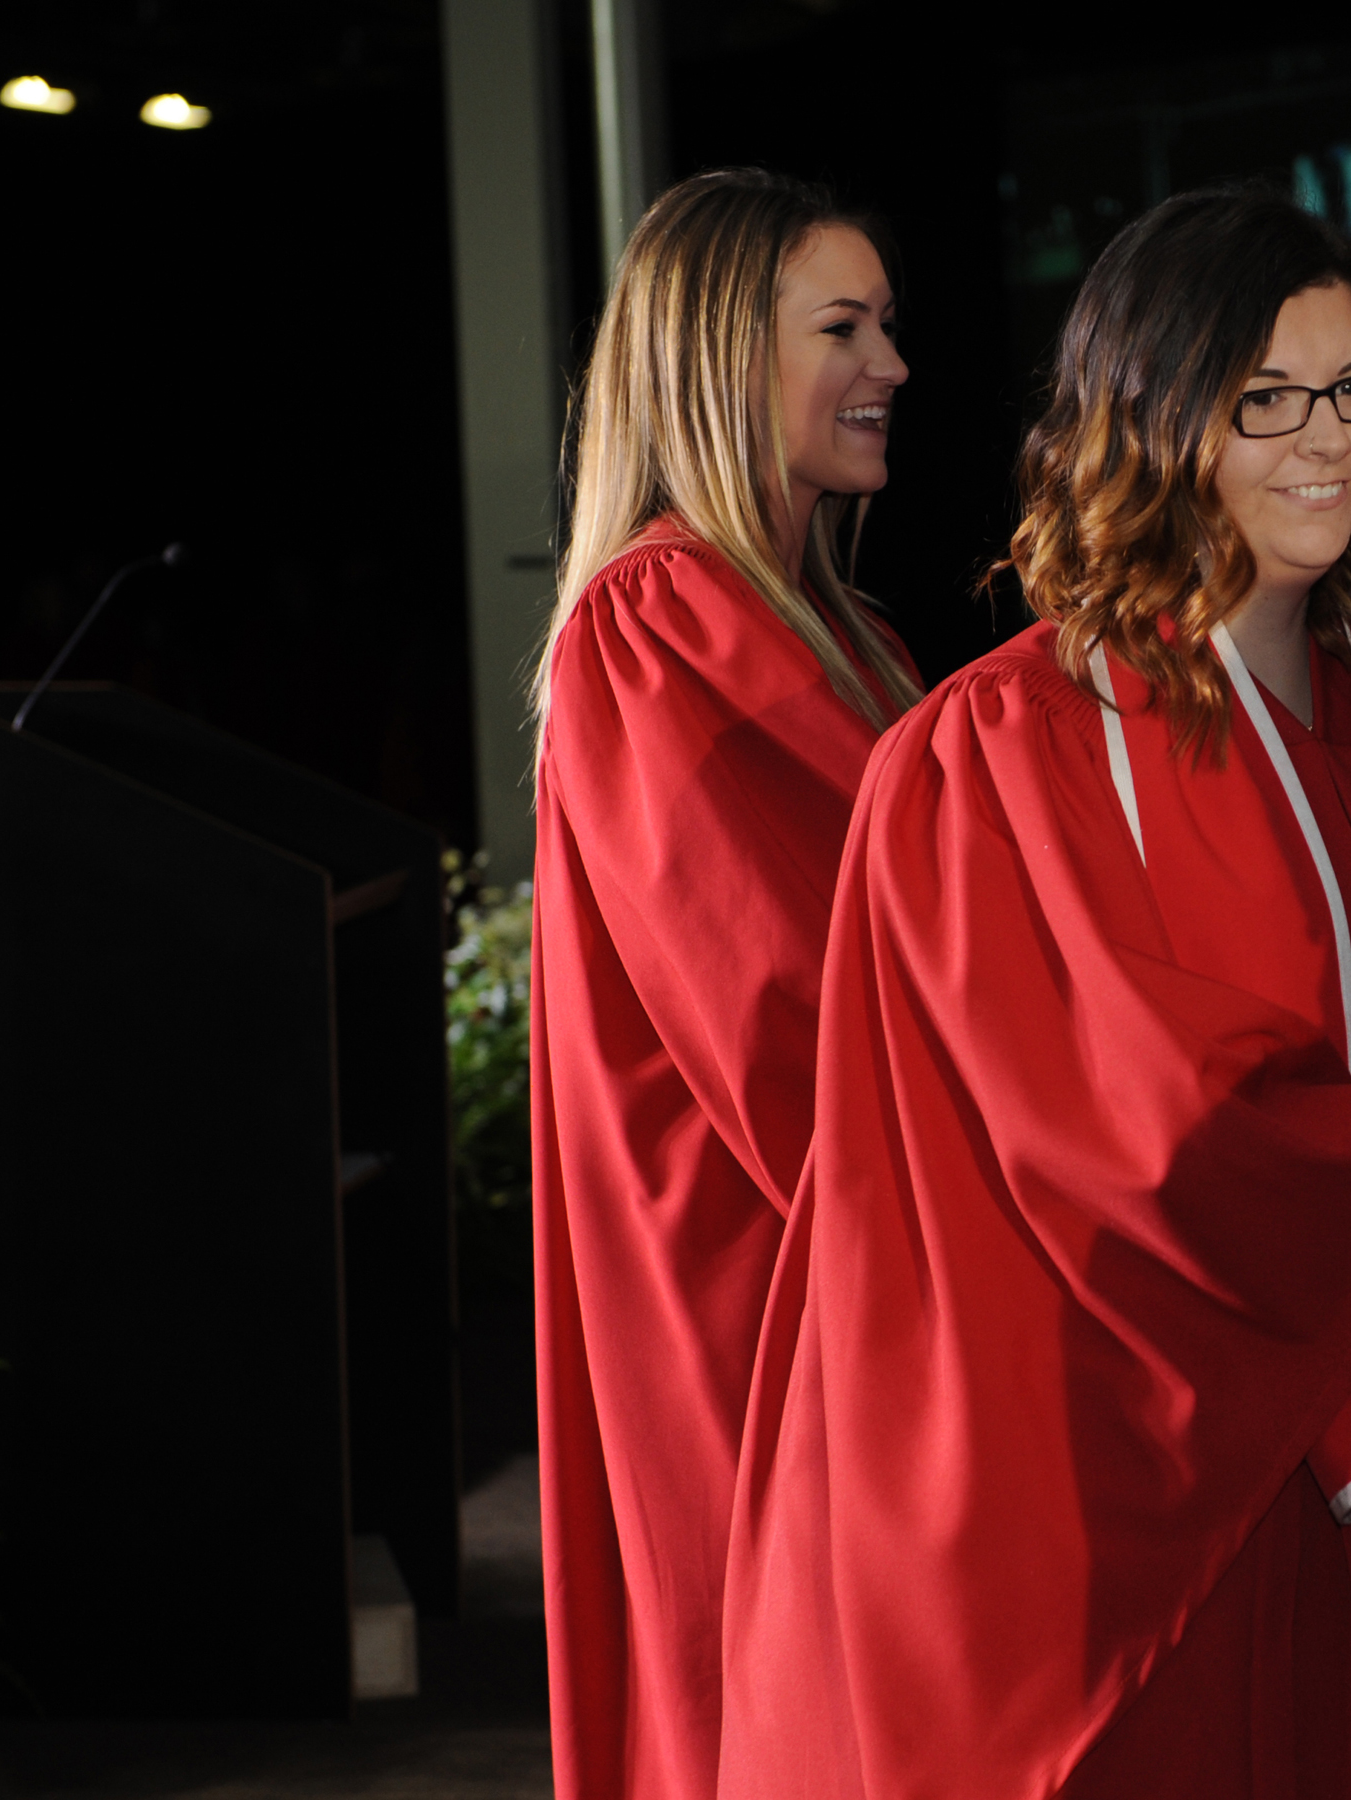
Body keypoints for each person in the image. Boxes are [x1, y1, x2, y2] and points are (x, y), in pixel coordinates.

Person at [716, 189, 1351, 1800]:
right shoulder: (1005, 755)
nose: (1325, 441)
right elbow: (1130, 1127)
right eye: (1260, 400)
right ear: (1147, 411)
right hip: (1167, 1511)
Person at [528, 170, 922, 1800]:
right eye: (843, 328)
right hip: (761, 1311)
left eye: (888, 322)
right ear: (714, 357)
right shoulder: (657, 621)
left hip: (850, 1284)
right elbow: (785, 1016)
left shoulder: (847, 629)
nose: (892, 362)